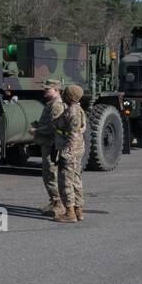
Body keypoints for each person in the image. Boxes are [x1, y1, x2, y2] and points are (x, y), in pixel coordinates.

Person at [52, 83, 88, 224]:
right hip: (79, 148)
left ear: (69, 97)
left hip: (71, 150)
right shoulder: (78, 109)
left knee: (66, 181)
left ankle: (70, 213)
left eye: (65, 94)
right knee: (76, 180)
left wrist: (67, 151)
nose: (63, 96)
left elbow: (72, 134)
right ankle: (79, 210)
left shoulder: (72, 112)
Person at [34, 79, 66, 215]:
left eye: (48, 89)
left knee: (51, 173)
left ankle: (58, 203)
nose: (45, 90)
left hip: (51, 144)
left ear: (57, 90)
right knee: (47, 173)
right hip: (47, 143)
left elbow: (54, 127)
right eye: (45, 88)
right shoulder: (51, 104)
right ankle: (54, 201)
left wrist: (37, 131)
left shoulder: (57, 105)